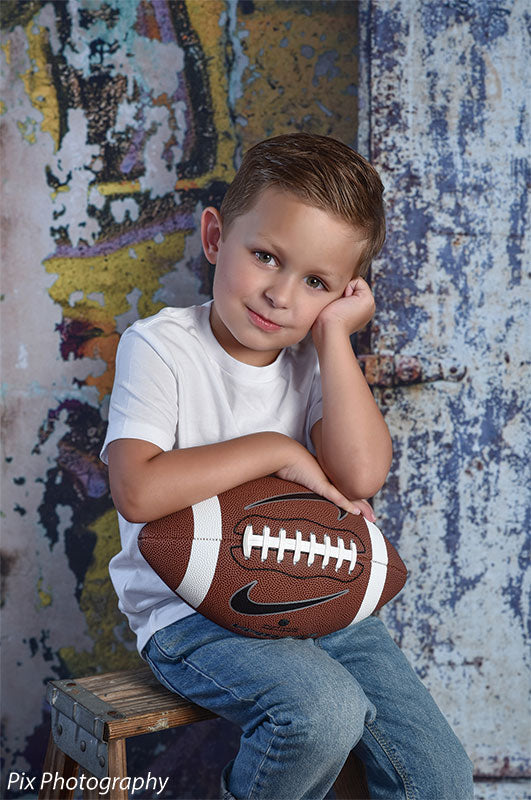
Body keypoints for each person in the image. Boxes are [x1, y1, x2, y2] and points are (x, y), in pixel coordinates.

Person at [101, 132, 474, 800]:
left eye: (315, 283)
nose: (280, 295)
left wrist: (333, 336)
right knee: (322, 714)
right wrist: (279, 451)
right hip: (189, 613)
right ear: (215, 237)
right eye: (266, 257)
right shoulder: (160, 347)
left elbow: (361, 477)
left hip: (318, 597)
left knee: (439, 776)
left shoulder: (313, 360)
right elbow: (137, 490)